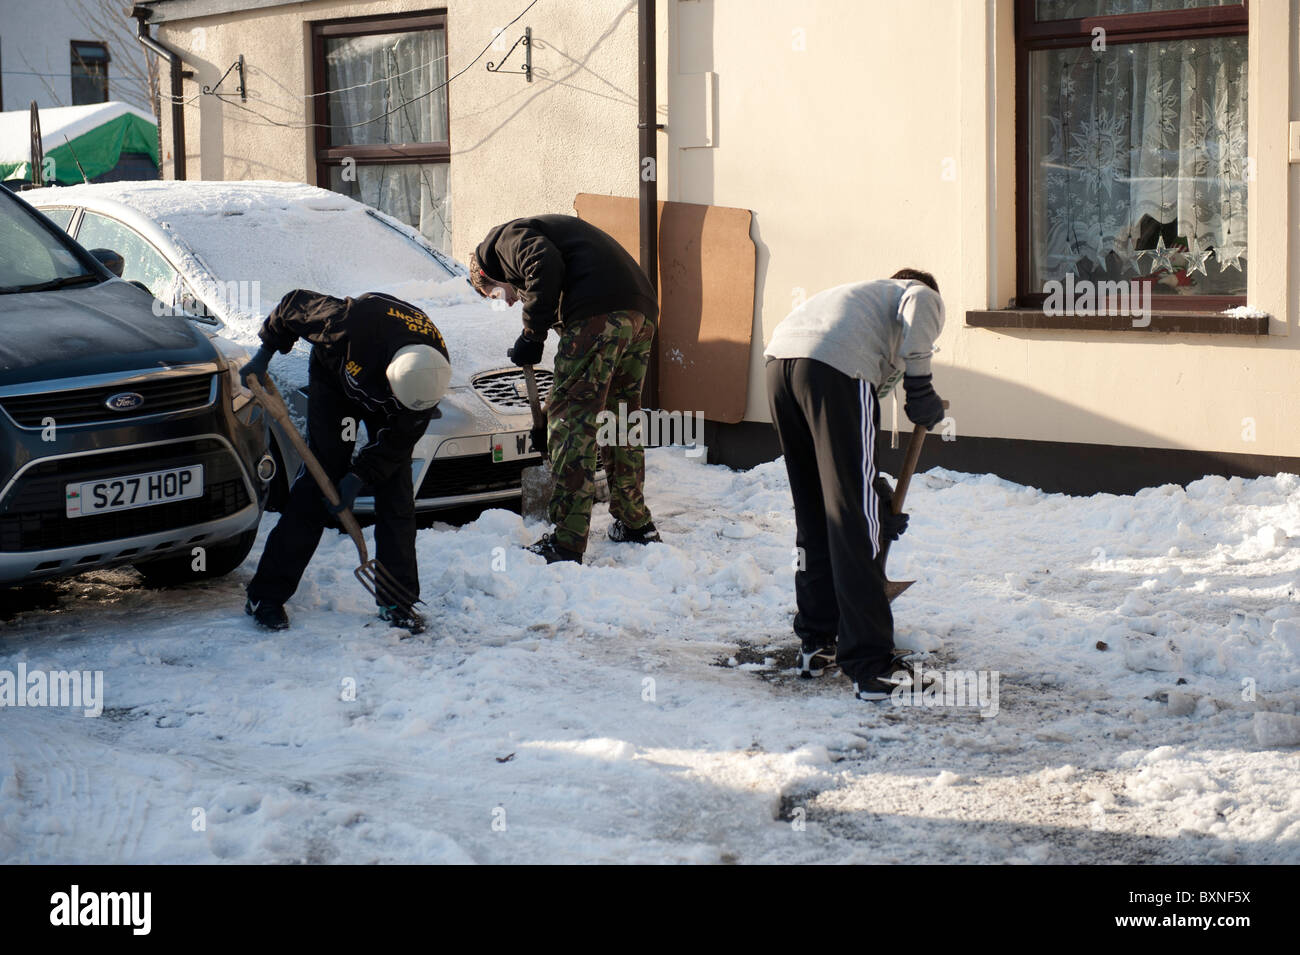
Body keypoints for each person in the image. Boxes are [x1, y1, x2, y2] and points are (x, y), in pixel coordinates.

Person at [764, 269, 946, 701]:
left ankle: (817, 641)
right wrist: (921, 385)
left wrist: (877, 499)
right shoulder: (914, 293)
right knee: (854, 522)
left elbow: (848, 470)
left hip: (779, 368)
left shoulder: (855, 309)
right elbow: (921, 300)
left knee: (816, 509)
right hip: (831, 368)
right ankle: (872, 666)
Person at [238, 289, 451, 633]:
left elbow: (398, 441)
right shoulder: (345, 323)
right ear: (389, 375)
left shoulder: (428, 377)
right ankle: (266, 595)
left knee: (396, 494)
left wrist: (361, 475)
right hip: (336, 384)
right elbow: (293, 304)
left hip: (392, 405)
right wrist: (265, 352)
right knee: (319, 480)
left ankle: (397, 599)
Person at [469, 214, 661, 564]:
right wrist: (545, 417)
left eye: (495, 294)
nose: (508, 301)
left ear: (485, 273)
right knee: (620, 417)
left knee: (573, 425)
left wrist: (532, 334)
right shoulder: (550, 241)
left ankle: (567, 541)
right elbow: (579, 385)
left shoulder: (501, 243)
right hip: (641, 312)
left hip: (599, 311)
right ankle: (635, 523)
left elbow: (544, 261)